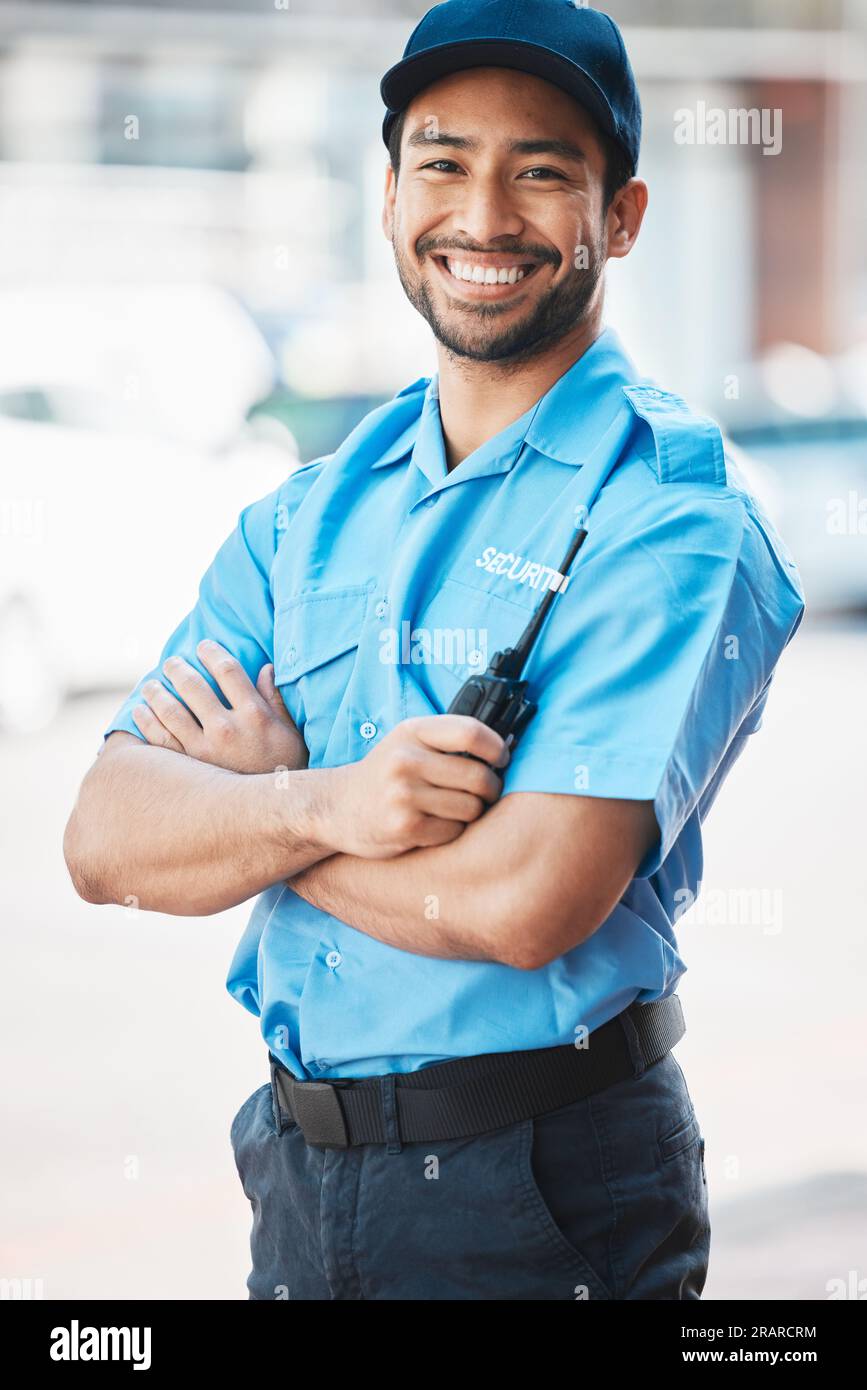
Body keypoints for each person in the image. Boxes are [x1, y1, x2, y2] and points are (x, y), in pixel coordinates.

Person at [63, 0, 805, 1300]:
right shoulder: (311, 508)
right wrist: (336, 801)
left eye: (541, 170)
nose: (484, 212)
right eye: (445, 160)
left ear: (618, 218)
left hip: (540, 1184)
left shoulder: (670, 515)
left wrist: (247, 822)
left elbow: (527, 900)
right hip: (299, 1173)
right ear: (392, 189)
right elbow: (108, 837)